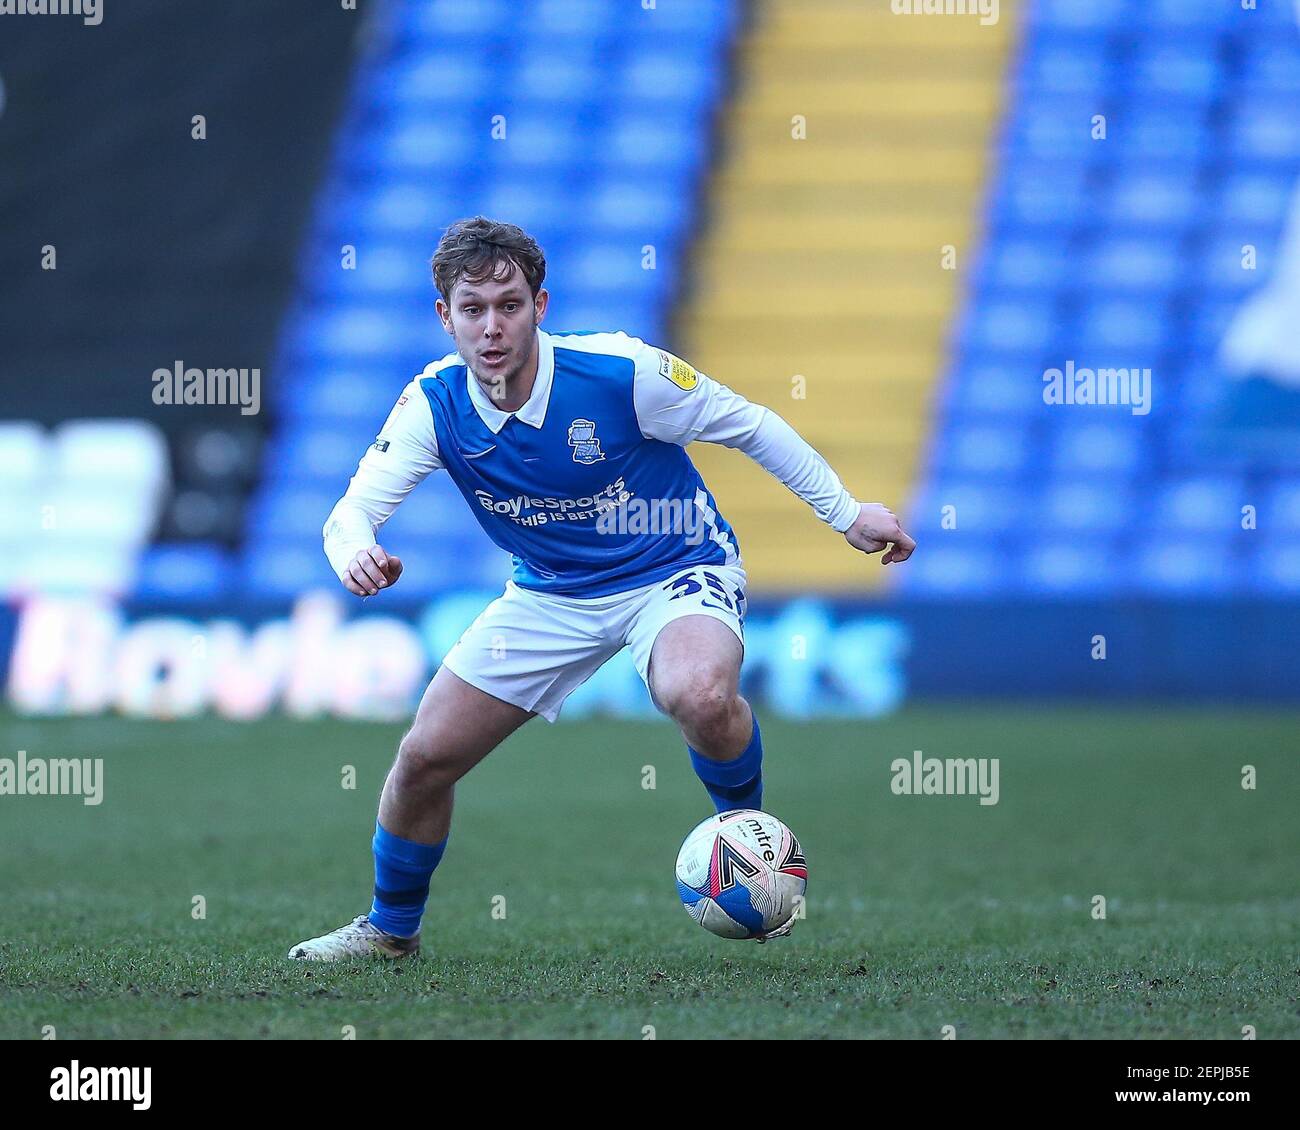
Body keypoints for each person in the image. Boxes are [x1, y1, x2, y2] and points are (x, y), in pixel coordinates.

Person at [289, 217, 914, 960]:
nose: (493, 328)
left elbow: (749, 424)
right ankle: (390, 933)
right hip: (550, 593)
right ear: (444, 317)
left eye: (510, 305)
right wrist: (357, 550)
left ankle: (750, 842)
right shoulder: (436, 404)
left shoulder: (621, 373)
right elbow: (351, 512)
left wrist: (845, 514)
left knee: (699, 695)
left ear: (540, 306)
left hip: (674, 567)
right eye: (473, 310)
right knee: (424, 758)